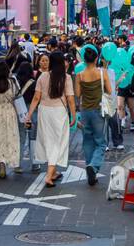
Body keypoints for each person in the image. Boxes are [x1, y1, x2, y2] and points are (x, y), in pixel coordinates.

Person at [24, 51, 74, 188]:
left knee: (48, 141)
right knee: (58, 143)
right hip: (59, 113)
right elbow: (70, 99)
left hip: (44, 112)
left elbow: (36, 98)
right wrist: (74, 115)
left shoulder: (43, 77)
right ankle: (48, 176)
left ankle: (53, 172)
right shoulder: (67, 78)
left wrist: (29, 115)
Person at [74, 45, 111, 186]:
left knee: (87, 142)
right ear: (96, 59)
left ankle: (91, 171)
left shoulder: (79, 75)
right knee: (101, 142)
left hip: (85, 111)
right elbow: (109, 90)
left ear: (84, 60)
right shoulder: (102, 73)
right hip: (98, 111)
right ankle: (93, 166)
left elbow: (78, 94)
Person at [17, 53, 48, 174]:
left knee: (21, 136)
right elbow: (37, 98)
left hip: (20, 112)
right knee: (33, 137)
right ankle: (35, 164)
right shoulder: (33, 82)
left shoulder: (16, 82)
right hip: (32, 111)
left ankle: (17, 164)